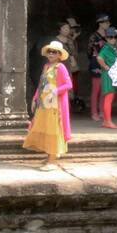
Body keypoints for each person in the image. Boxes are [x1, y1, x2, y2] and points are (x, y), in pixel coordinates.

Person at [24, 40, 73, 170]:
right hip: (44, 103)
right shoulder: (46, 67)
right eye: (50, 51)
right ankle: (49, 156)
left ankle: (52, 161)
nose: (51, 54)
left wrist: (55, 91)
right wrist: (35, 99)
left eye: (54, 52)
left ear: (59, 55)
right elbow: (41, 85)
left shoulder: (60, 68)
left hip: (55, 105)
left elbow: (68, 85)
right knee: (45, 127)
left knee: (53, 129)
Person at [96, 27, 117, 129]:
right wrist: (106, 67)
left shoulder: (111, 48)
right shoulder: (106, 48)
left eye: (115, 37)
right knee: (109, 98)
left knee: (108, 98)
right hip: (108, 75)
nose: (113, 39)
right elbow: (99, 58)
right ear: (106, 38)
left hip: (111, 74)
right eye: (110, 37)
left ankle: (106, 121)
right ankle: (107, 121)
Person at [87, 14, 111, 122]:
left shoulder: (109, 35)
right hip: (96, 63)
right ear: (100, 24)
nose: (108, 24)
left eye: (108, 22)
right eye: (106, 22)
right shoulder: (93, 36)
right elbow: (89, 51)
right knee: (96, 89)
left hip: (106, 63)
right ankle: (94, 112)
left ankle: (101, 111)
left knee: (104, 89)